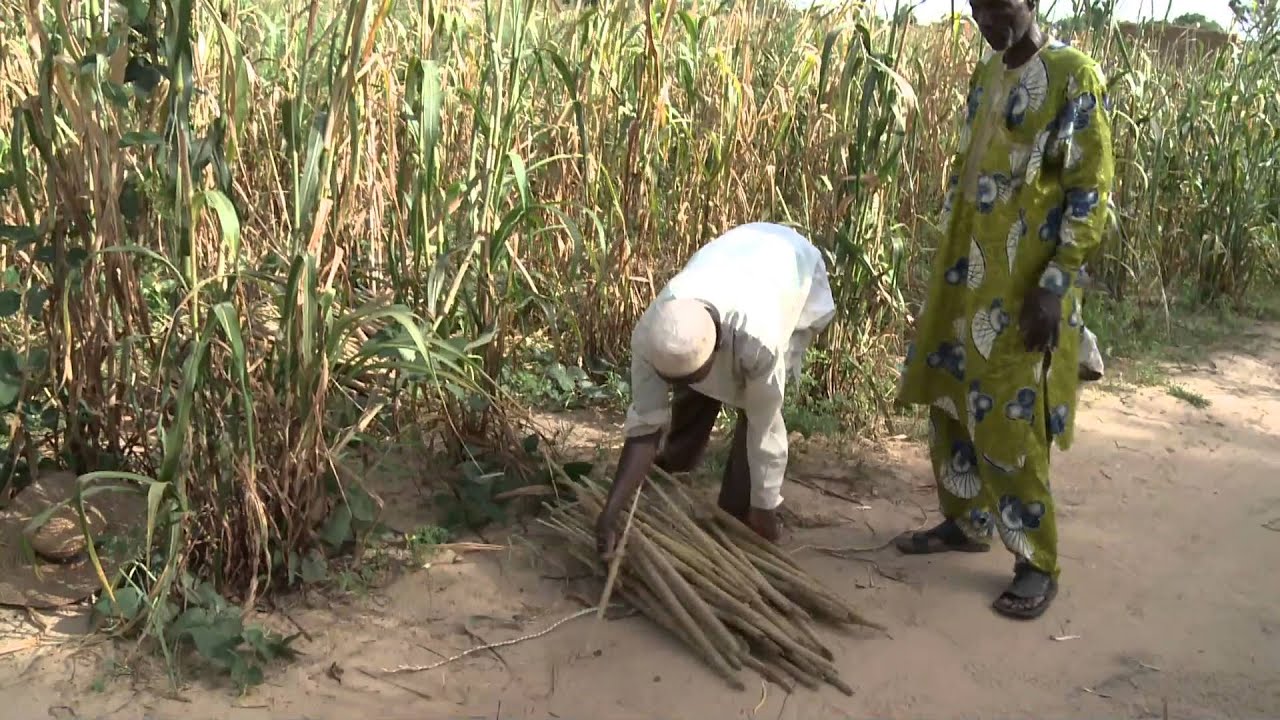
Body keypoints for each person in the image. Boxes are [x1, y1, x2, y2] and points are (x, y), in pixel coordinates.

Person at [893, 0, 1115, 620]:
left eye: (1001, 6)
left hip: (1020, 288)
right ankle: (964, 521)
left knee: (1007, 419)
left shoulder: (1074, 75)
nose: (988, 19)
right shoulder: (985, 76)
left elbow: (1089, 190)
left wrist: (1054, 285)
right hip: (964, 274)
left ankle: (1036, 562)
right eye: (977, 6)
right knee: (950, 400)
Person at [595, 222, 836, 561]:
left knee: (749, 412)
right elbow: (644, 427)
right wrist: (610, 513)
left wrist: (764, 508)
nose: (676, 387)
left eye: (691, 376)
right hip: (733, 257)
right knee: (693, 392)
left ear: (718, 346)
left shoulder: (759, 343)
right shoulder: (654, 332)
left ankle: (736, 512)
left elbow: (764, 429)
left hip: (788, 268)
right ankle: (678, 461)